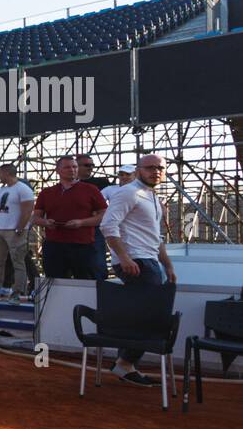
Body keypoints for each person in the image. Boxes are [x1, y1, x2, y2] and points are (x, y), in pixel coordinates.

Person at [99, 154, 177, 387]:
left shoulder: (152, 197)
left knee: (145, 314)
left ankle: (126, 363)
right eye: (150, 167)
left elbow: (156, 237)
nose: (155, 171)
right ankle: (125, 364)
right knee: (150, 315)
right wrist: (124, 257)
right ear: (138, 170)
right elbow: (107, 225)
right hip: (137, 262)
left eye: (160, 168)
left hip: (150, 262)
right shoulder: (128, 192)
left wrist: (168, 265)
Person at [32, 156, 107, 279]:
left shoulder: (90, 190)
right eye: (67, 167)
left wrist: (81, 223)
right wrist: (46, 222)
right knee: (55, 282)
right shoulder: (47, 193)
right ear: (58, 170)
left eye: (74, 167)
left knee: (86, 282)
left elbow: (104, 215)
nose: (72, 170)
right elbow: (35, 218)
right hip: (55, 245)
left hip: (83, 245)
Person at [0, 164, 34, 299]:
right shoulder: (3, 189)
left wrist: (20, 227)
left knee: (17, 261)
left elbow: (28, 210)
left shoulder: (23, 189)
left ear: (6, 173)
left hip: (14, 231)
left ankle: (18, 291)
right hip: (0, 230)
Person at [78, 154, 112, 279]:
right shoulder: (68, 185)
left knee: (97, 260)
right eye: (87, 165)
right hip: (73, 227)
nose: (91, 168)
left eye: (92, 165)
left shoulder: (101, 183)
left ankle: (100, 287)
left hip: (95, 227)